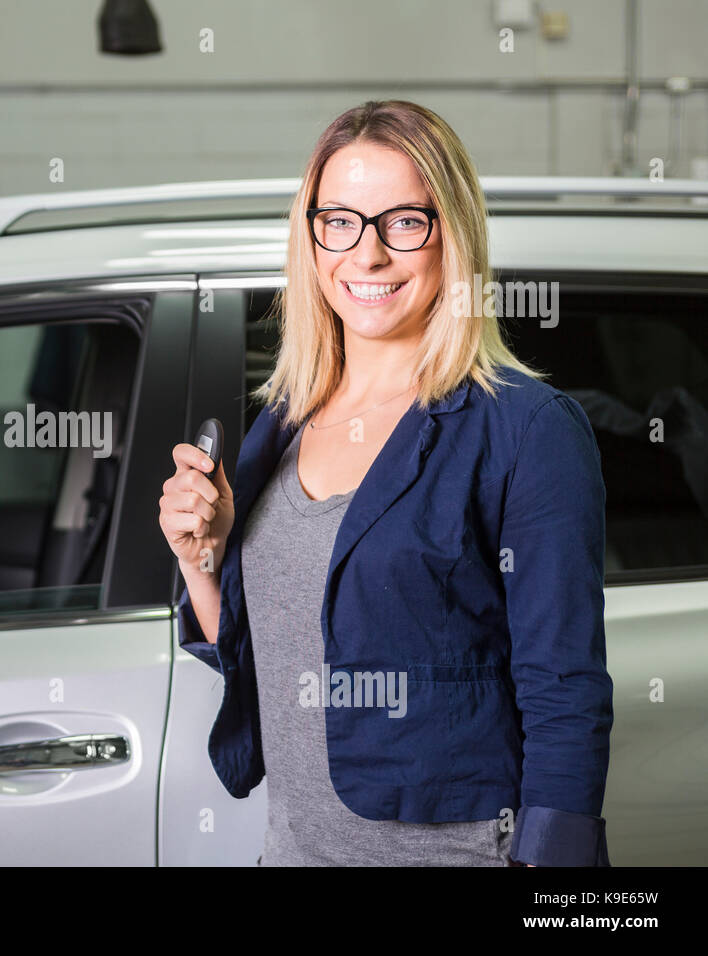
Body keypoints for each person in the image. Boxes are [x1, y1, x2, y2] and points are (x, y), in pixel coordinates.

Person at [159, 100, 612, 866]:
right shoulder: (282, 422)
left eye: (404, 222)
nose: (366, 255)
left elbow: (565, 695)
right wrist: (202, 559)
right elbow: (271, 656)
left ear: (453, 234)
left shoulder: (526, 430)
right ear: (311, 237)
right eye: (339, 221)